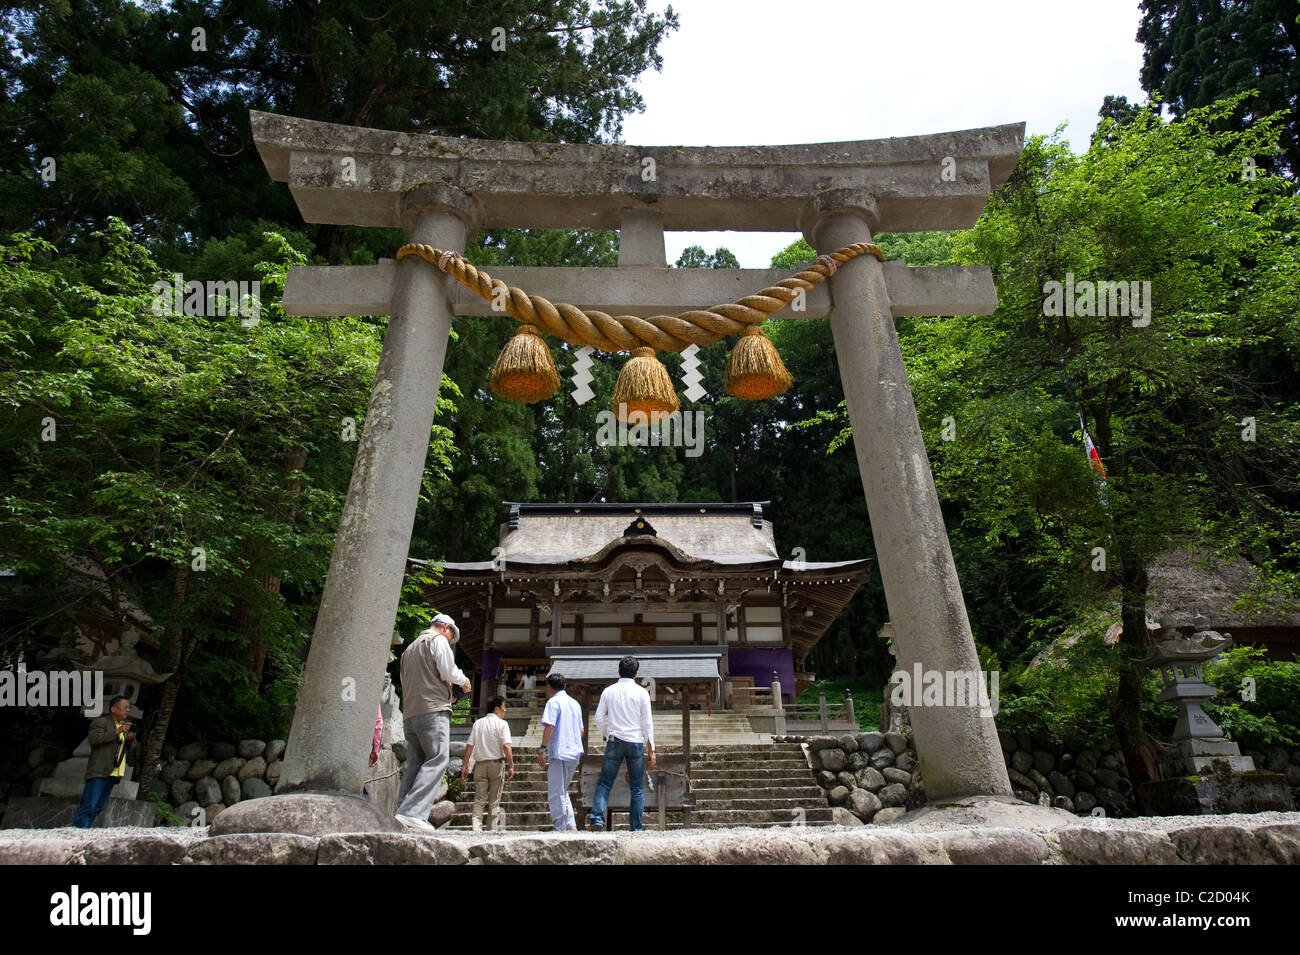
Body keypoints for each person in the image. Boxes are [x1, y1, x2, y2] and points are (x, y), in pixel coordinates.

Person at [395, 613, 471, 831]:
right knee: (438, 757)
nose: (449, 640)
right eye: (451, 636)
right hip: (432, 708)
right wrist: (463, 681)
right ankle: (414, 812)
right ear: (446, 628)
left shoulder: (409, 649)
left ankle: (402, 810)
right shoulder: (437, 641)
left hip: (411, 712)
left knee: (415, 761)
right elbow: (448, 671)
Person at [588, 656, 655, 831]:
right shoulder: (642, 692)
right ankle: (636, 826)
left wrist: (605, 734)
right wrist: (651, 749)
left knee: (605, 782)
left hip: (615, 739)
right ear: (636, 673)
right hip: (635, 741)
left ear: (619, 672)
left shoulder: (608, 691)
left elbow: (598, 717)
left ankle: (597, 819)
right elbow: (647, 722)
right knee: (637, 787)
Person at [74, 695, 136, 828]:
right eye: (125, 707)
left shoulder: (123, 726)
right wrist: (117, 731)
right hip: (99, 769)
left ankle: (84, 830)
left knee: (97, 807)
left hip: (113, 771)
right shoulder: (101, 722)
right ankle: (79, 833)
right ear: (114, 709)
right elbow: (95, 739)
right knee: (89, 806)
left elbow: (127, 748)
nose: (127, 710)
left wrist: (130, 739)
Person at [537, 673, 584, 831]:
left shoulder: (553, 702)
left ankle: (560, 826)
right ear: (565, 686)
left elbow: (550, 726)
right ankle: (570, 824)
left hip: (559, 751)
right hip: (574, 750)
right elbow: (581, 730)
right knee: (563, 789)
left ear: (549, 688)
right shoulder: (575, 703)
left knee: (556, 791)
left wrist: (543, 748)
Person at [460, 695, 514, 831]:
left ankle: (476, 827)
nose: (505, 710)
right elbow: (506, 746)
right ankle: (492, 828)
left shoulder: (478, 723)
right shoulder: (502, 724)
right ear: (496, 709)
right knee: (494, 800)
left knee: (479, 798)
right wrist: (511, 765)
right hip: (496, 764)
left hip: (480, 765)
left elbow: (469, 745)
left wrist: (465, 765)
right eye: (503, 707)